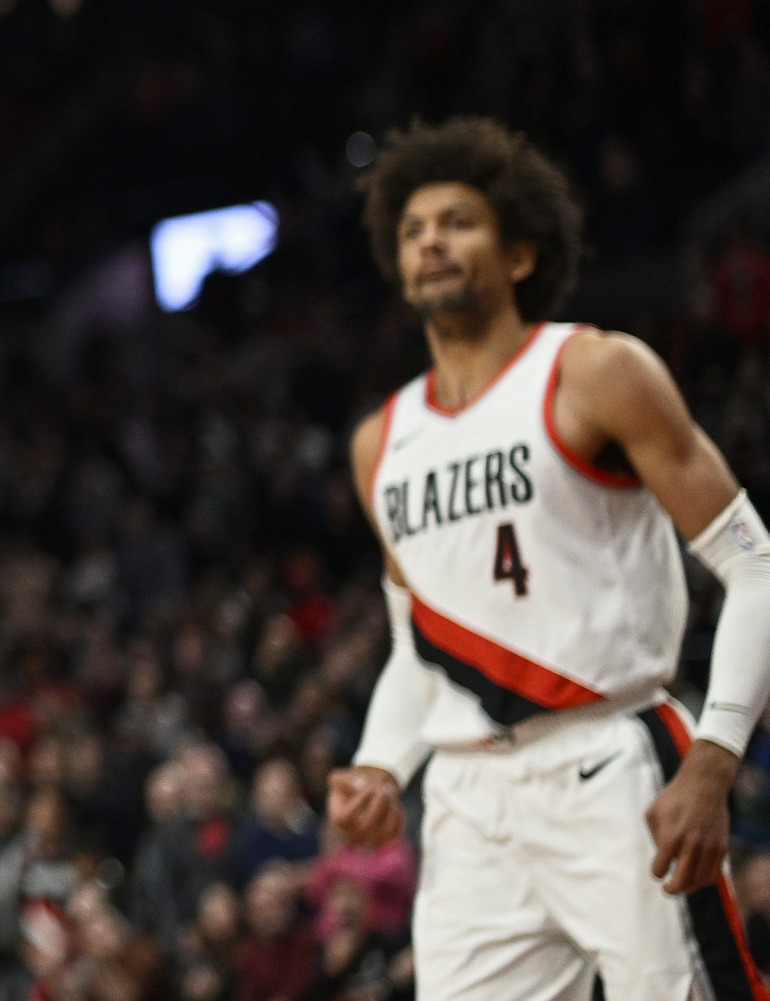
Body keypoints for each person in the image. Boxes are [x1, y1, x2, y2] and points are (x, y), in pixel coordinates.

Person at [325, 116, 770, 1001]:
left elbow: (757, 564)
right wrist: (382, 764)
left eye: (457, 222)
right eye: (413, 231)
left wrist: (715, 756)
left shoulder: (595, 371)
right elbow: (424, 649)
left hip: (610, 769)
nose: (431, 243)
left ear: (520, 255)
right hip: (466, 802)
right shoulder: (383, 441)